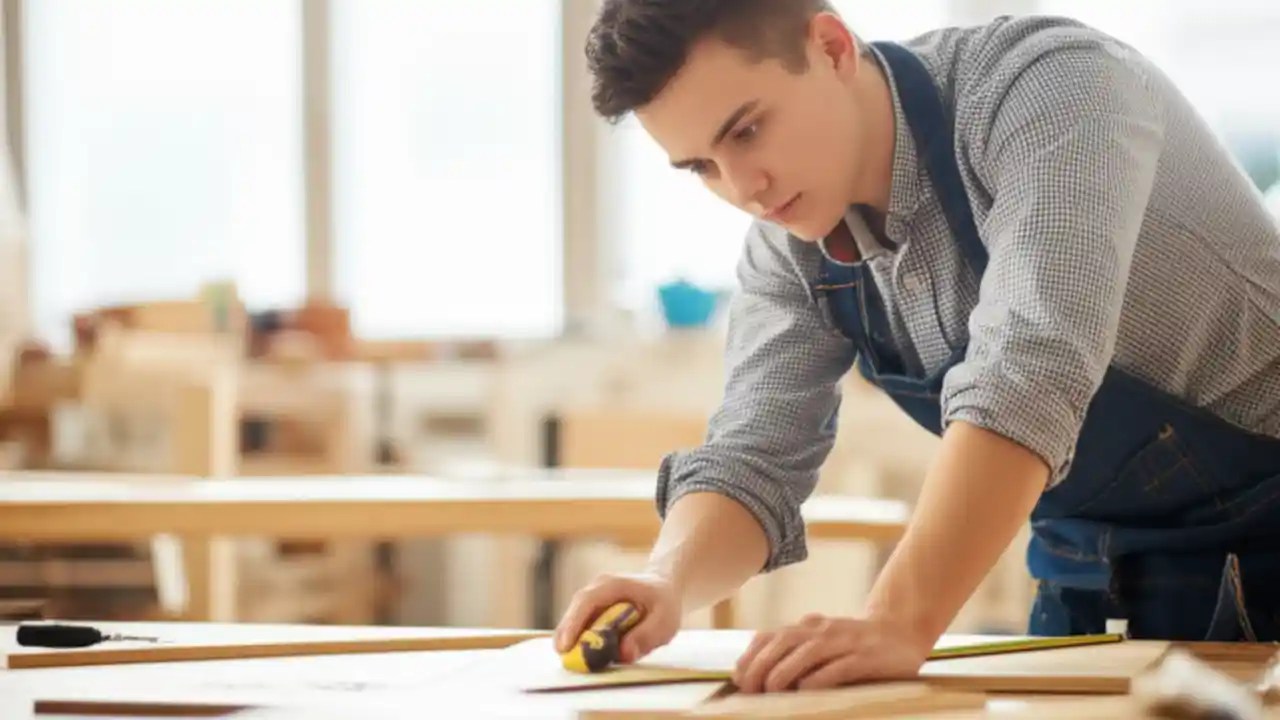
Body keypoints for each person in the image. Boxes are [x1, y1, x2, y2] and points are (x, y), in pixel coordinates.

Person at [554, 0, 1280, 695]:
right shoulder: (790, 243)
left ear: (831, 48)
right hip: (1088, 571)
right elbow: (753, 457)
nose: (744, 188)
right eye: (702, 167)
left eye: (746, 131)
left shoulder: (1056, 87)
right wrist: (666, 580)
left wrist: (896, 621)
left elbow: (1028, 372)